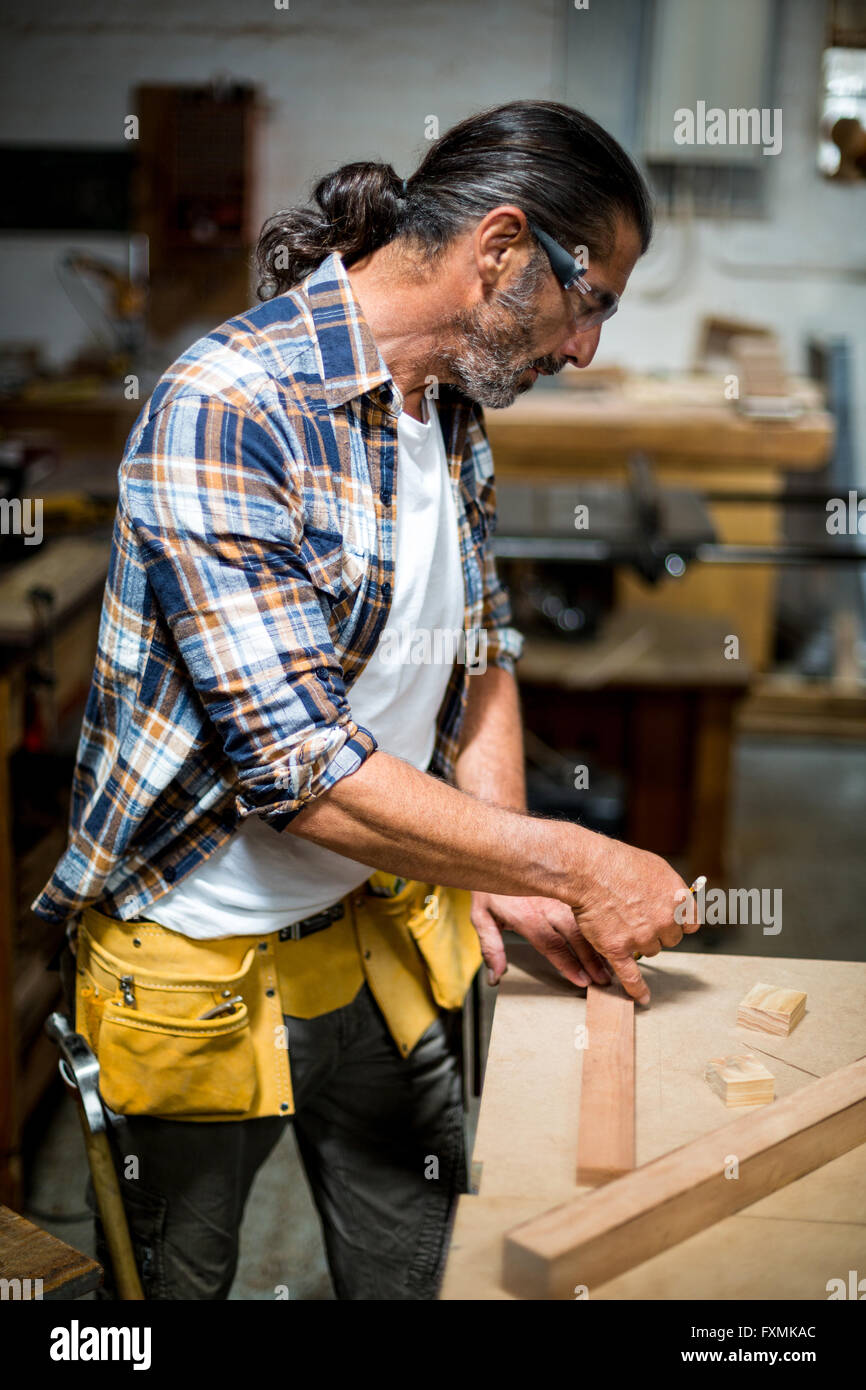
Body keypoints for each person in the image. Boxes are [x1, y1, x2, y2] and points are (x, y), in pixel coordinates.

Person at [32, 99, 698, 1300]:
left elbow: (479, 647)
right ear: (500, 249)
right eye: (589, 296)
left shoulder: (447, 401)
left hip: (380, 923)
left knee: (426, 1271)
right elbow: (299, 771)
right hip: (196, 960)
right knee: (170, 1291)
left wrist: (494, 868)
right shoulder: (230, 405)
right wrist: (570, 863)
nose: (585, 346)